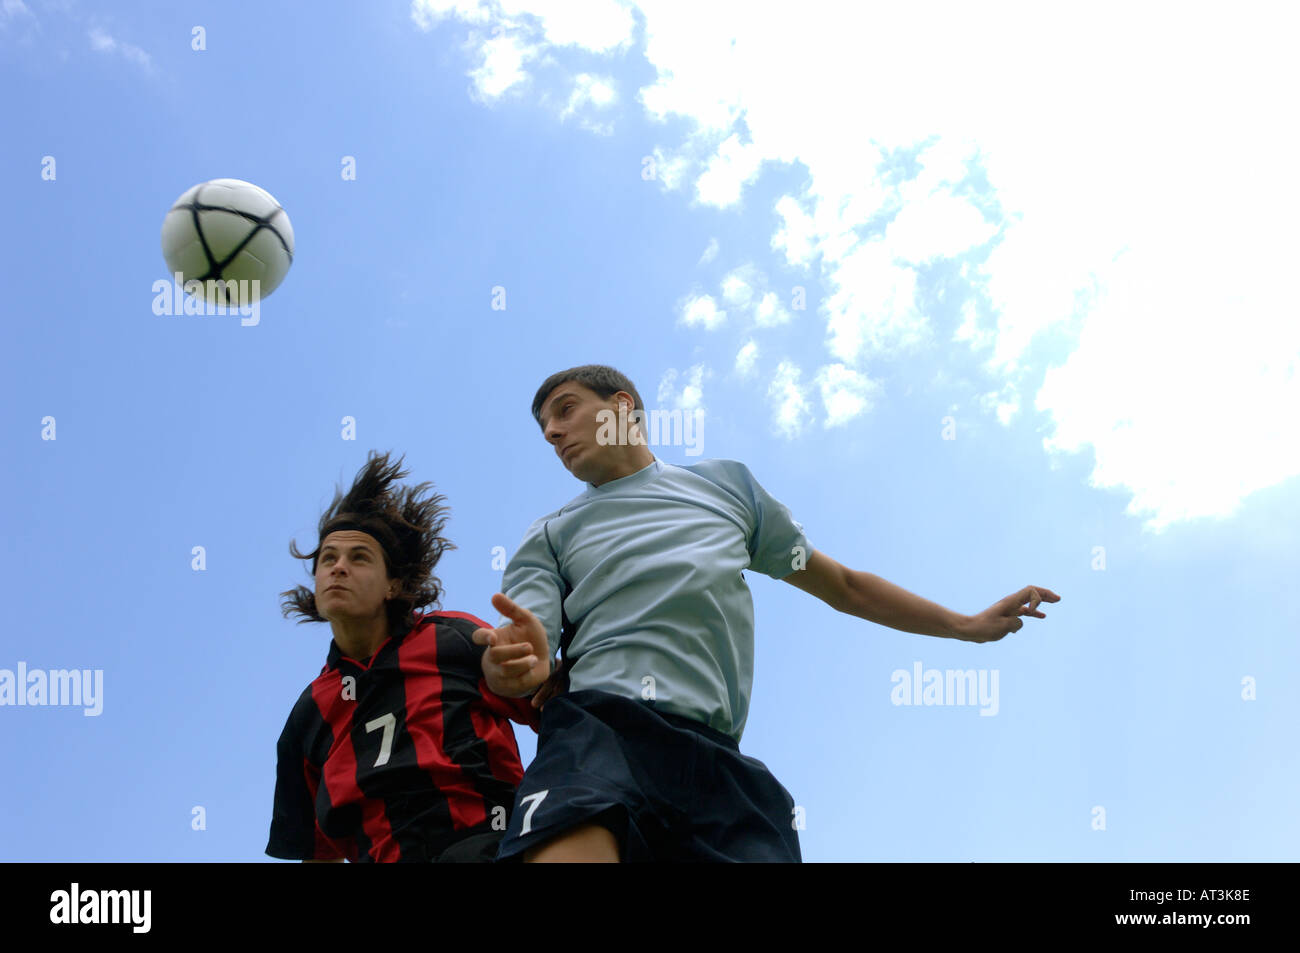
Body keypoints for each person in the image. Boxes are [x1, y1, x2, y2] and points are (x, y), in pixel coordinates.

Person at [474, 364, 1060, 862]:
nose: (553, 432)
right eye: (545, 430)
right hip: (599, 731)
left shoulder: (727, 488)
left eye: (565, 410)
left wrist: (965, 625)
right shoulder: (549, 534)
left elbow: (846, 586)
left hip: (719, 760)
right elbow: (525, 648)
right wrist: (514, 667)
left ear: (620, 405)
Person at [266, 451, 539, 862]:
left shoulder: (453, 638)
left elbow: (551, 705)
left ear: (393, 585)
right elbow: (314, 851)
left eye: (359, 558)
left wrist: (535, 671)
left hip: (489, 846)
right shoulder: (308, 715)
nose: (338, 568)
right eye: (328, 559)